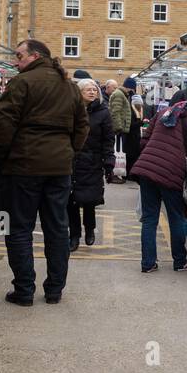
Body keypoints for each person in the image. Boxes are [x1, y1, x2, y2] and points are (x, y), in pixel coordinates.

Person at [0, 39, 89, 306]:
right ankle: (54, 290)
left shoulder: (21, 83)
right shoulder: (69, 87)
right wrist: (69, 152)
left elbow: (4, 124)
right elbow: (83, 127)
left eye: (19, 55)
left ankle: (24, 289)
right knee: (57, 228)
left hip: (23, 166)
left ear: (34, 56)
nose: (16, 61)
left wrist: (4, 159)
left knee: (18, 228)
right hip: (59, 167)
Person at [129, 96, 187, 273]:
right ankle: (180, 261)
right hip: (172, 173)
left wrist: (153, 156)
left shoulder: (164, 112)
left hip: (147, 169)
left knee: (149, 219)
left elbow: (144, 140)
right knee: (176, 217)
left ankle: (148, 263)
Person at [69, 78, 113, 250]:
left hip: (93, 162)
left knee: (89, 200)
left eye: (95, 89)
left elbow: (108, 139)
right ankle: (74, 235)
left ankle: (89, 229)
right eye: (88, 89)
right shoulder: (72, 110)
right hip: (72, 161)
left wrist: (109, 162)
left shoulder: (103, 112)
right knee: (71, 200)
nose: (92, 92)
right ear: (79, 93)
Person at [106, 78, 131, 183]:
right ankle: (114, 175)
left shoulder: (120, 94)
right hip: (118, 130)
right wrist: (119, 128)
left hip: (119, 129)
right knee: (116, 153)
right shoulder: (119, 94)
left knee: (117, 152)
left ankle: (115, 174)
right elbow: (115, 112)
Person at [123, 77, 143, 177]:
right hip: (131, 133)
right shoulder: (132, 100)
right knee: (131, 154)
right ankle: (129, 174)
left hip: (130, 134)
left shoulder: (129, 99)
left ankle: (128, 173)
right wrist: (140, 123)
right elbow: (130, 121)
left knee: (129, 154)